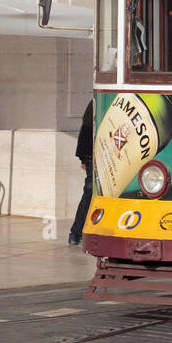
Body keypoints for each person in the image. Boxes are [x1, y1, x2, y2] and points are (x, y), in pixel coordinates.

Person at [68, 100, 94, 245]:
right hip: (93, 156)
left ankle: (78, 232)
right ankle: (76, 232)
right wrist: (84, 156)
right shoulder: (96, 103)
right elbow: (87, 127)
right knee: (89, 191)